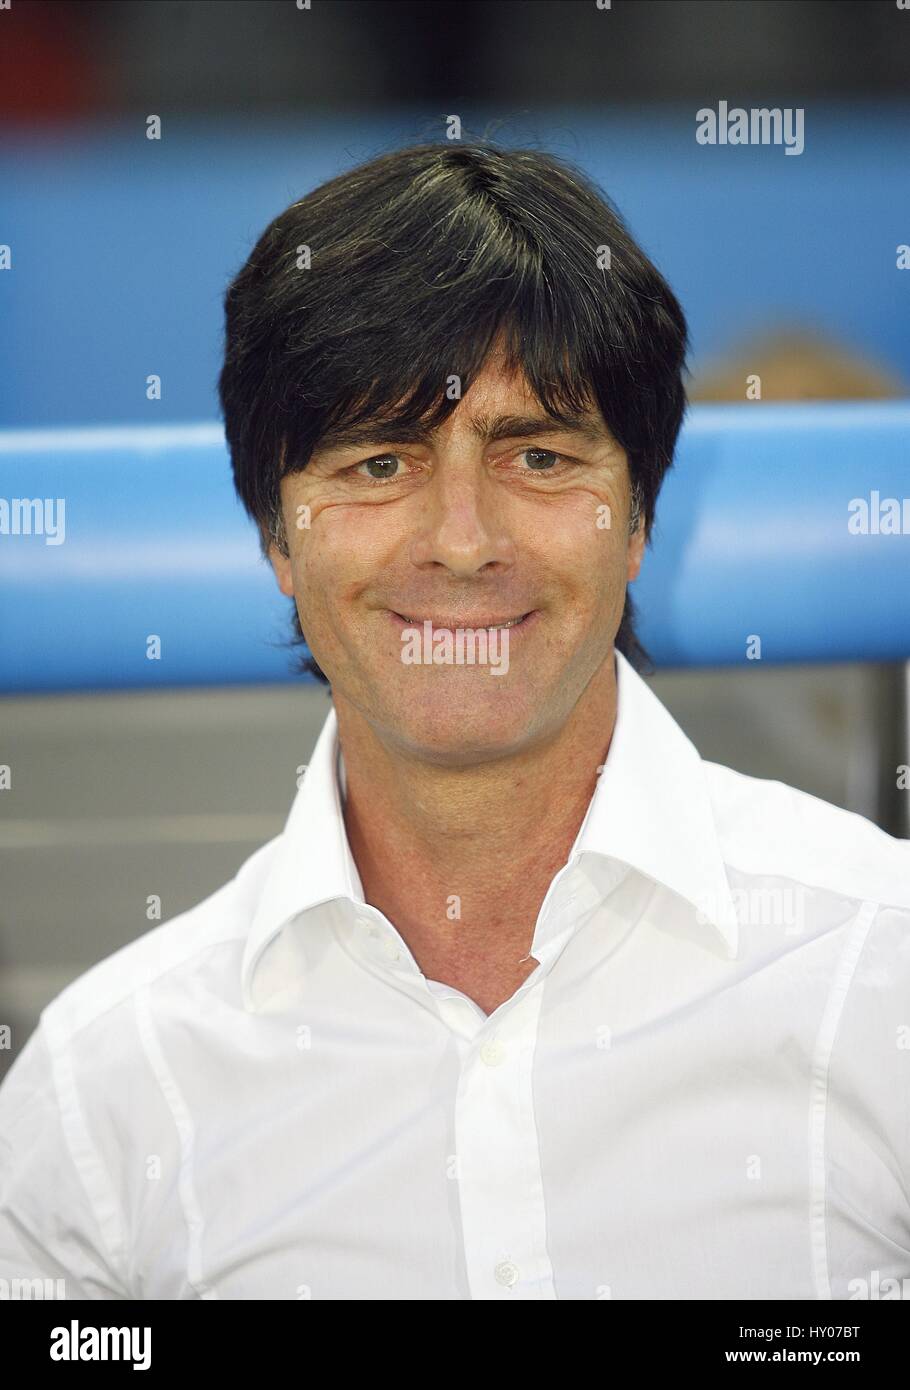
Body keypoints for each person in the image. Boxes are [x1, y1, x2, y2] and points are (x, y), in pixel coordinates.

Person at [1, 142, 908, 1302]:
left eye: (536, 454)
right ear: (279, 538)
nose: (464, 539)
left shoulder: (882, 967)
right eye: (380, 463)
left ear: (636, 522)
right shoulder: (97, 1095)